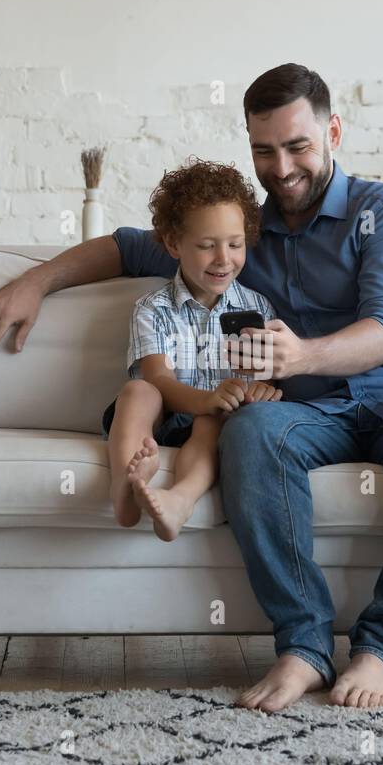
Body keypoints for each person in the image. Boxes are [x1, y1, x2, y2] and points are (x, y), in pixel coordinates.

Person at [0, 64, 383, 713]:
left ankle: (377, 650)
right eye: (264, 150)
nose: (282, 166)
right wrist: (35, 282)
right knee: (249, 429)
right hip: (311, 415)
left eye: (298, 145)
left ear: (332, 131)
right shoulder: (243, 234)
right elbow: (131, 247)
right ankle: (302, 648)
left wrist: (302, 355)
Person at [104, 158, 280, 542]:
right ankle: (124, 490)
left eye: (235, 244)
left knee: (212, 420)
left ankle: (179, 501)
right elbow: (159, 380)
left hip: (214, 426)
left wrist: (261, 392)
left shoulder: (258, 309)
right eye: (206, 246)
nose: (224, 259)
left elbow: (263, 380)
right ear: (173, 244)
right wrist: (208, 398)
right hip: (163, 417)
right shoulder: (152, 309)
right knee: (137, 391)